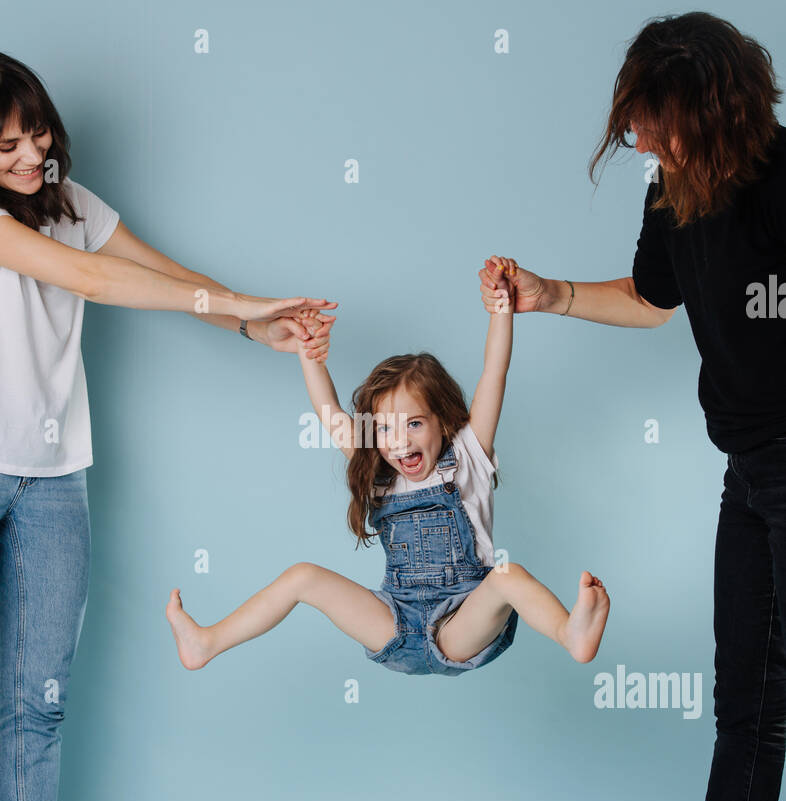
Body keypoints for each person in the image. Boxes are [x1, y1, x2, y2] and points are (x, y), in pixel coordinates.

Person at [0, 49, 336, 801]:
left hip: (54, 472)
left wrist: (250, 323)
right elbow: (98, 284)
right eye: (7, 145)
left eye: (37, 134)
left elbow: (158, 271)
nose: (31, 155)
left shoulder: (70, 202)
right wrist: (240, 304)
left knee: (39, 699)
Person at [480, 11, 786, 801]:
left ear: (715, 106)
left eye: (656, 122)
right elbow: (655, 299)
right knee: (745, 696)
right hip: (748, 467)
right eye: (635, 126)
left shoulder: (779, 180)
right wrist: (548, 294)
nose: (642, 140)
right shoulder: (673, 189)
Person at [166, 258, 610, 679]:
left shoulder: (468, 454)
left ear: (444, 422)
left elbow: (496, 372)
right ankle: (206, 642)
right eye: (384, 429)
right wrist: (308, 351)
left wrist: (501, 308)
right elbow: (328, 410)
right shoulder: (377, 470)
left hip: (459, 627)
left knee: (507, 575)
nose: (399, 442)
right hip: (394, 628)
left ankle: (568, 632)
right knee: (302, 576)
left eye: (414, 424)